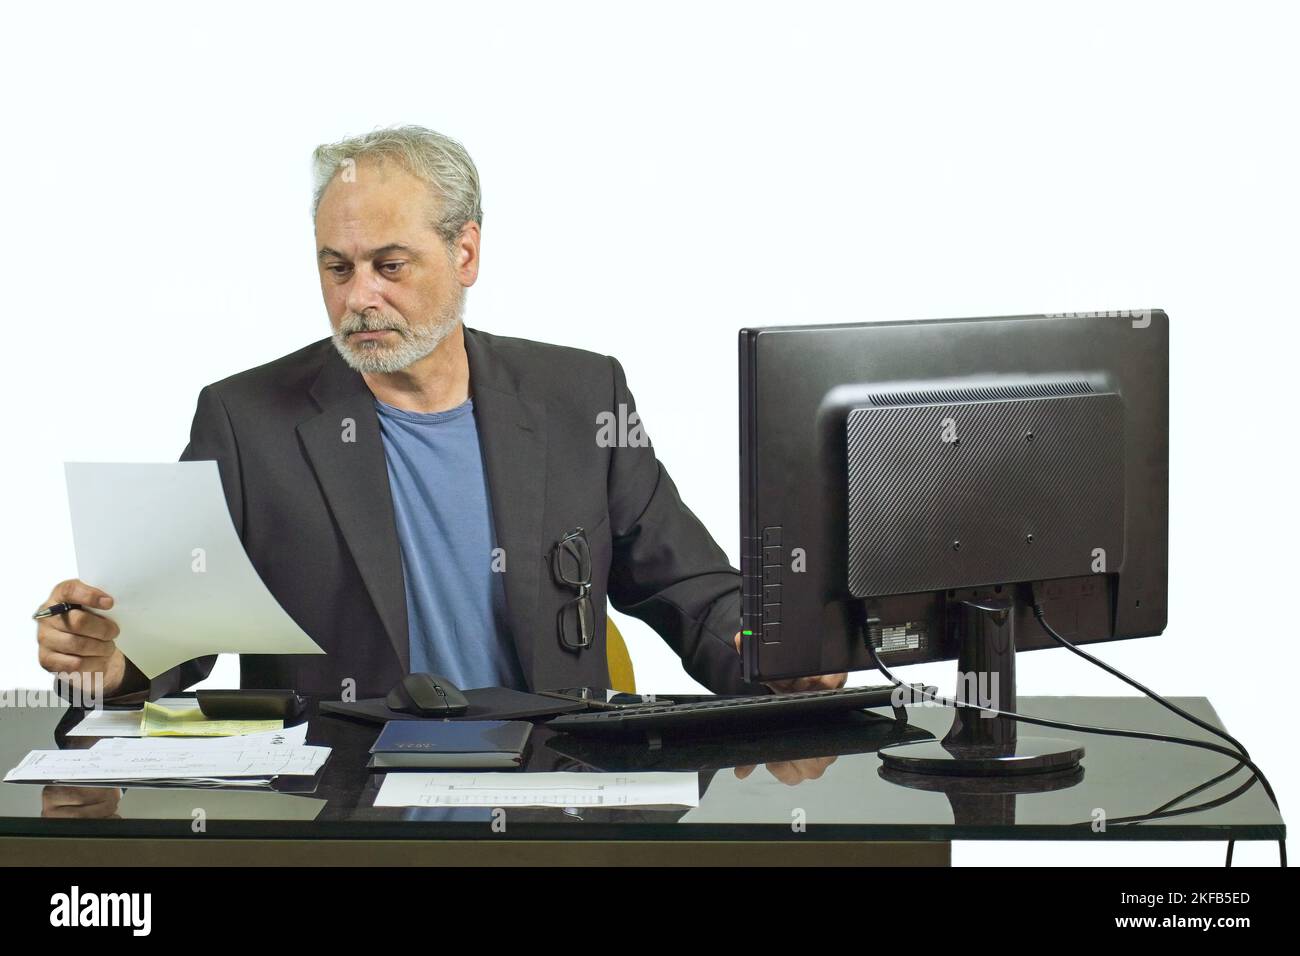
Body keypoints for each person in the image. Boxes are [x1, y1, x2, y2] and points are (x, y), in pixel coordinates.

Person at [34, 126, 846, 702]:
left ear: (465, 253)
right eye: (336, 267)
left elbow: (693, 594)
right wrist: (110, 662)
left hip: (553, 800)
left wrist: (779, 654)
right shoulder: (246, 421)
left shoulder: (580, 396)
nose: (359, 298)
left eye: (390, 265)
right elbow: (171, 633)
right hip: (346, 815)